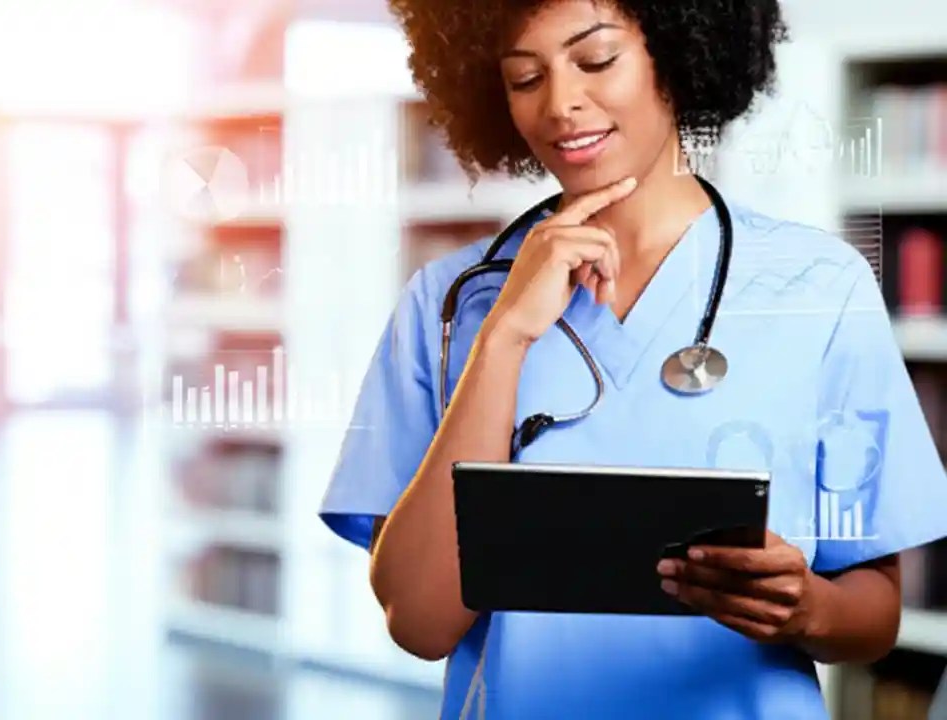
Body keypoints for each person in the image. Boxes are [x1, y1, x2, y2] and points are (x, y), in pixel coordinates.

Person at [317, 0, 947, 718]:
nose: (561, 104)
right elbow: (420, 624)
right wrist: (506, 338)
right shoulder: (450, 301)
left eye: (596, 60)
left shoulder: (823, 288)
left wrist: (806, 608)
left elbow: (874, 617)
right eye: (525, 78)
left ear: (678, 53)